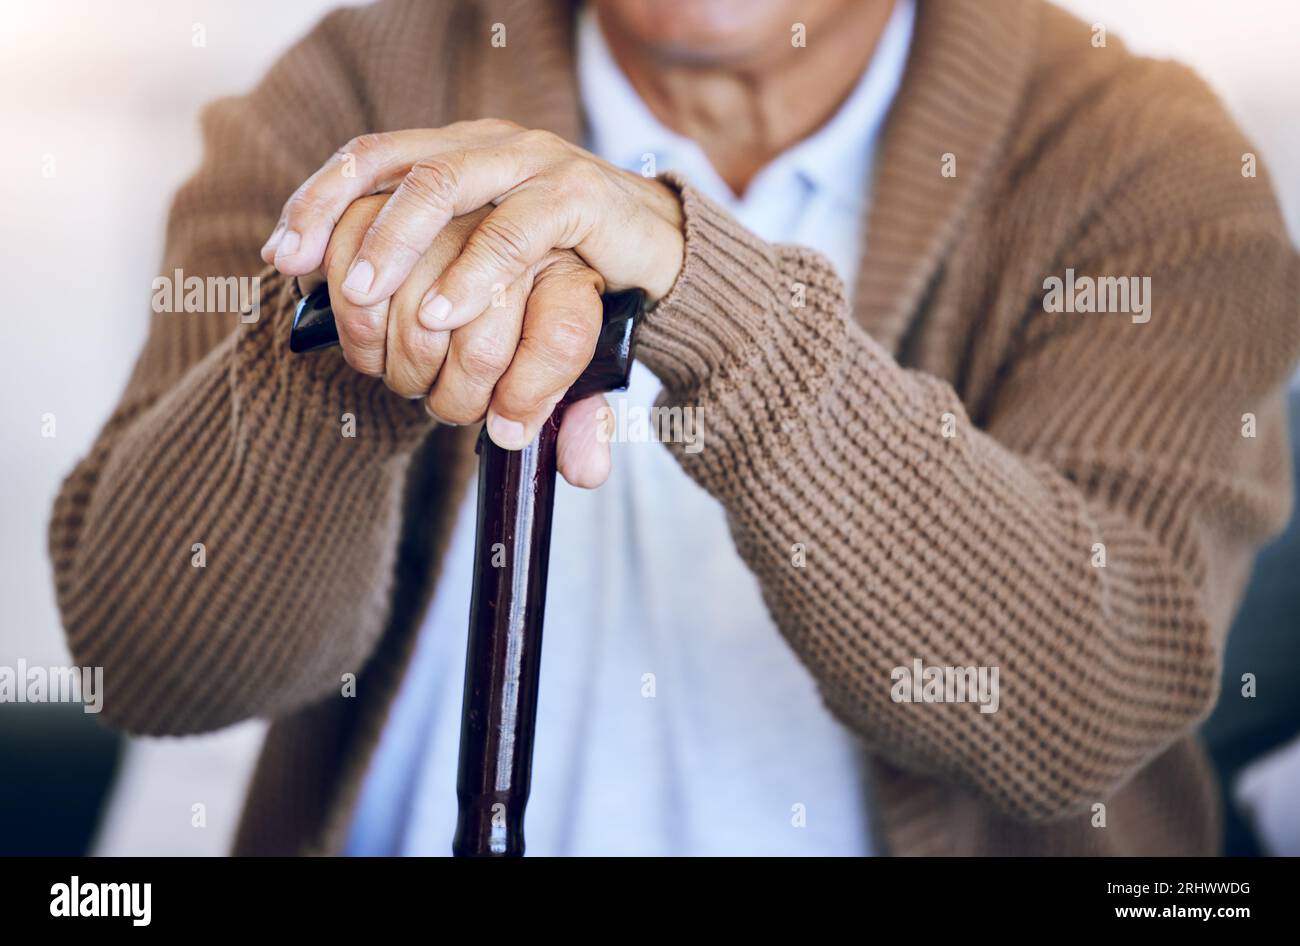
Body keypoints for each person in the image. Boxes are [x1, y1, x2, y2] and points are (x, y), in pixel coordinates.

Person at [49, 0, 1300, 855]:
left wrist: (708, 294)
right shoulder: (358, 83)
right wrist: (358, 326)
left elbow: (1083, 701)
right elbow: (155, 663)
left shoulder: (1151, 157)